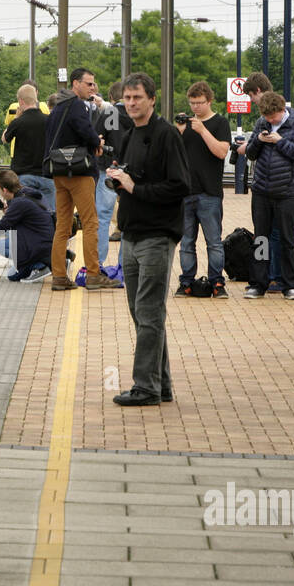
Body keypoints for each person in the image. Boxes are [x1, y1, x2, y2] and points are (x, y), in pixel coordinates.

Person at [105, 72, 190, 405]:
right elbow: (128, 174)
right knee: (141, 312)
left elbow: (180, 185)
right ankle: (161, 383)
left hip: (157, 233)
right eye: (126, 98)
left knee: (149, 310)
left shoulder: (167, 135)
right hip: (130, 231)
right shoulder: (128, 134)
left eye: (137, 97)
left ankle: (145, 387)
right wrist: (118, 179)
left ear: (152, 99)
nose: (131, 104)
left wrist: (135, 187)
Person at [46, 68, 116, 291]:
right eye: (89, 84)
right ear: (75, 83)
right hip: (79, 173)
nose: (93, 88)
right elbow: (86, 132)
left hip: (59, 173)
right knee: (91, 223)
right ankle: (93, 275)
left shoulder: (58, 106)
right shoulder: (76, 105)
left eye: (94, 85)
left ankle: (59, 276)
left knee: (63, 226)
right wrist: (98, 142)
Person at [243, 91, 294, 299]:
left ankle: (290, 284)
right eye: (267, 118)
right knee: (261, 239)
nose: (271, 121)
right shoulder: (261, 123)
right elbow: (250, 153)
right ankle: (258, 283)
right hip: (262, 191)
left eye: (274, 117)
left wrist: (279, 141)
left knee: (287, 239)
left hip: (286, 192)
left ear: (283, 110)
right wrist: (260, 141)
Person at [175, 80, 232, 298]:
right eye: (192, 103)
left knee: (214, 241)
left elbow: (221, 152)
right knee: (186, 242)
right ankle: (186, 281)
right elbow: (176, 155)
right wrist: (181, 132)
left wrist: (202, 131)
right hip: (186, 192)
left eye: (199, 103)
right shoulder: (187, 125)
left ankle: (217, 282)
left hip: (210, 192)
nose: (195, 107)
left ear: (209, 101)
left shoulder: (219, 123)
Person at [0, 168, 56, 283]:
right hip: (46, 239)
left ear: (4, 190)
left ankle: (39, 265)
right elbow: (20, 219)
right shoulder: (27, 192)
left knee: (0, 251)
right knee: (10, 236)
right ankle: (47, 261)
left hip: (38, 246)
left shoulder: (18, 203)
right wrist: (7, 210)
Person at [3, 83, 55, 213]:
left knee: (24, 215)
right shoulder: (49, 121)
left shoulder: (18, 122)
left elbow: (4, 139)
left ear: (20, 101)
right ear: (35, 99)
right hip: (47, 175)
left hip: (24, 176)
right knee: (49, 215)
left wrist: (16, 118)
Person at [95, 80, 127, 257]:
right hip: (130, 172)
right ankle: (124, 265)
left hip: (107, 170)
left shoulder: (109, 113)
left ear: (110, 97)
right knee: (128, 218)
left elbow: (97, 139)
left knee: (103, 216)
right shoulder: (136, 112)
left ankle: (98, 262)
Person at [233, 71, 273, 196]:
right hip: (262, 186)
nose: (251, 100)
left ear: (258, 90)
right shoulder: (261, 120)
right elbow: (255, 150)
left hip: (274, 185)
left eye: (251, 95)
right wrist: (251, 144)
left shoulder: (283, 118)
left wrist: (250, 146)